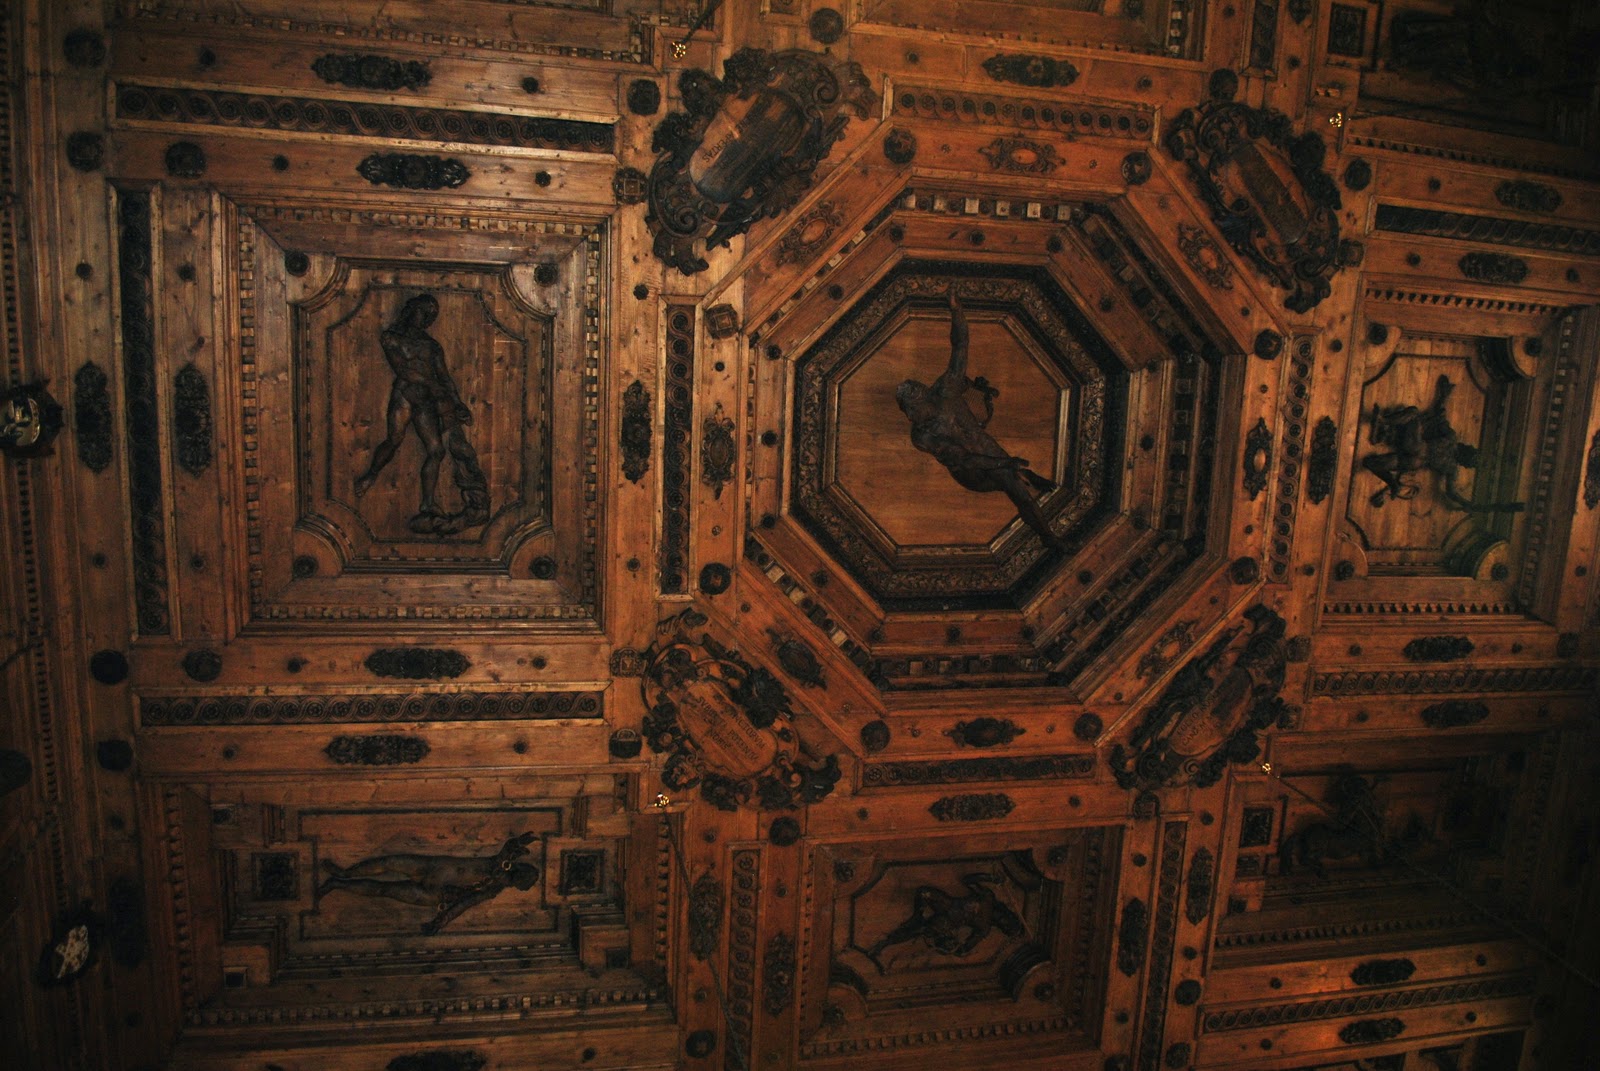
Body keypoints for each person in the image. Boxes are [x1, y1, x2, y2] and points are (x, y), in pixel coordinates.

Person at [895, 293, 1065, 550]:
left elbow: (960, 346)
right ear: (909, 413)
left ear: (926, 394)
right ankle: (1050, 540)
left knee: (1015, 485)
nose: (917, 410)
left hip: (987, 448)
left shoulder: (947, 389)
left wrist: (956, 311)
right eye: (913, 407)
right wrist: (1007, 462)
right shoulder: (922, 436)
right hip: (973, 473)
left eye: (919, 398)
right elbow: (963, 459)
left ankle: (1025, 481)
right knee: (1019, 494)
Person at [353, 294, 491, 534]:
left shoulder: (431, 346)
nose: (426, 318)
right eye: (423, 312)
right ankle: (371, 474)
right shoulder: (392, 338)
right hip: (405, 395)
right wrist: (433, 385)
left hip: (426, 400)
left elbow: (445, 377)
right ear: (411, 309)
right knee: (394, 440)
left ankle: (428, 503)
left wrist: (458, 403)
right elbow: (403, 369)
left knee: (436, 450)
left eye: (431, 315)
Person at [318, 832, 540, 935]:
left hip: (435, 891)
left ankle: (337, 883)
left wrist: (439, 921)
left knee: (383, 888)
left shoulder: (493, 887)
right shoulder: (499, 867)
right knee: (389, 864)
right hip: (436, 871)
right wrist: (518, 843)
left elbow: (463, 905)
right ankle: (344, 875)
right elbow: (508, 850)